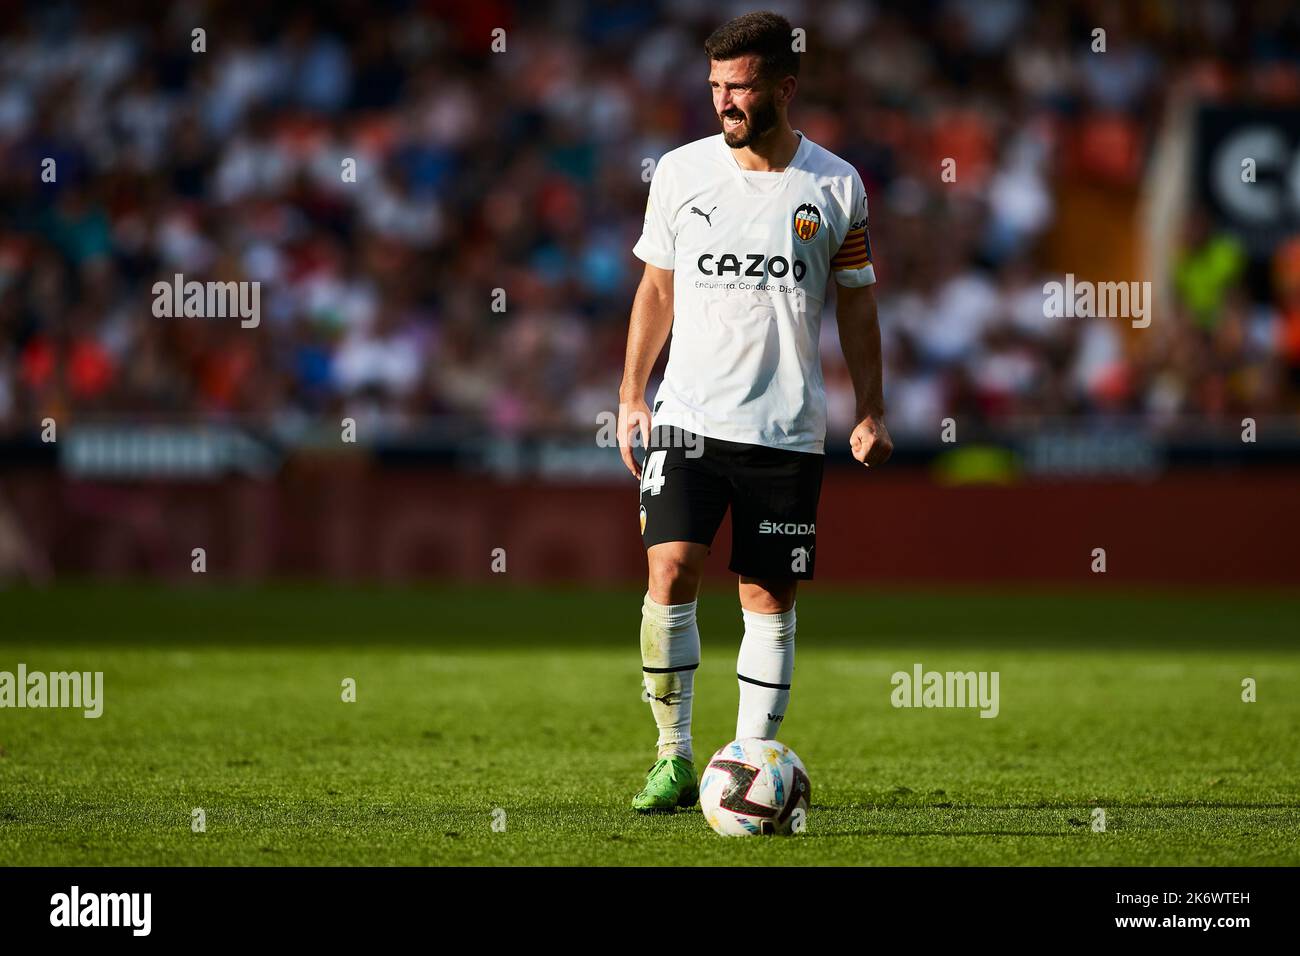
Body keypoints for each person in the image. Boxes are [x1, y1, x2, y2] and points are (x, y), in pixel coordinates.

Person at [616, 10, 892, 812]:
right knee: (670, 569)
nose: (725, 102)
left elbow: (858, 305)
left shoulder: (836, 185)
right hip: (686, 417)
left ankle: (748, 763)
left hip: (787, 427)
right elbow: (656, 289)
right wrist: (632, 393)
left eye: (739, 88)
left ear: (784, 87)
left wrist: (870, 407)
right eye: (715, 88)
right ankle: (673, 755)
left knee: (768, 597)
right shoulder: (679, 173)